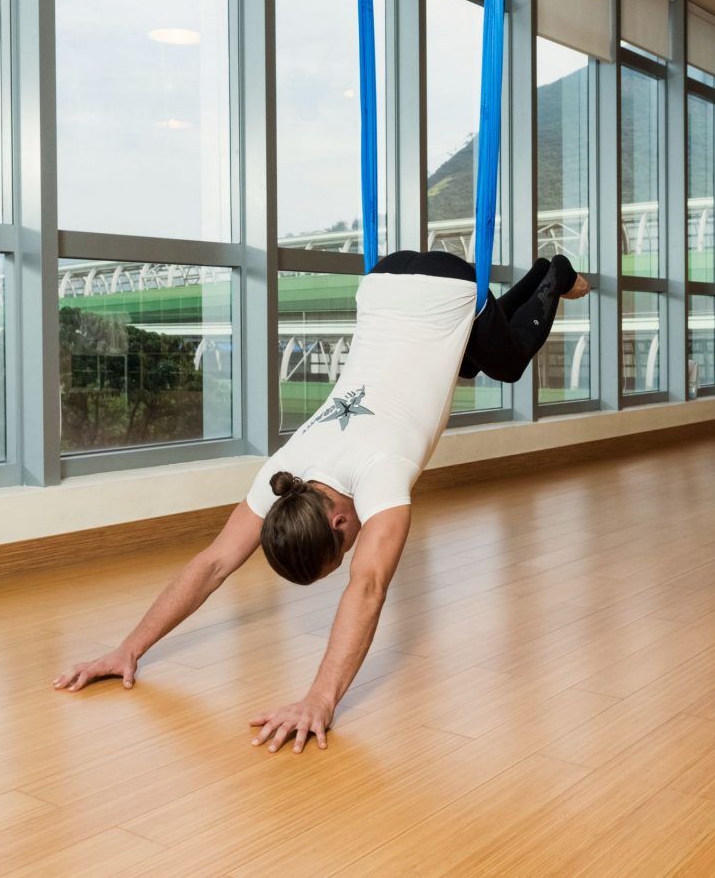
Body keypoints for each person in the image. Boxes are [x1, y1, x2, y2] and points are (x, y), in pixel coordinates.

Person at [53, 250, 589, 754]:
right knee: (471, 362)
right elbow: (213, 563)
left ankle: (555, 274)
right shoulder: (286, 471)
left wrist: (320, 699)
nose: (354, 552)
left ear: (337, 520)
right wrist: (128, 648)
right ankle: (533, 275)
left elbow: (369, 586)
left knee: (510, 363)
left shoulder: (381, 474)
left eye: (343, 549)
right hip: (383, 281)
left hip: (445, 286)